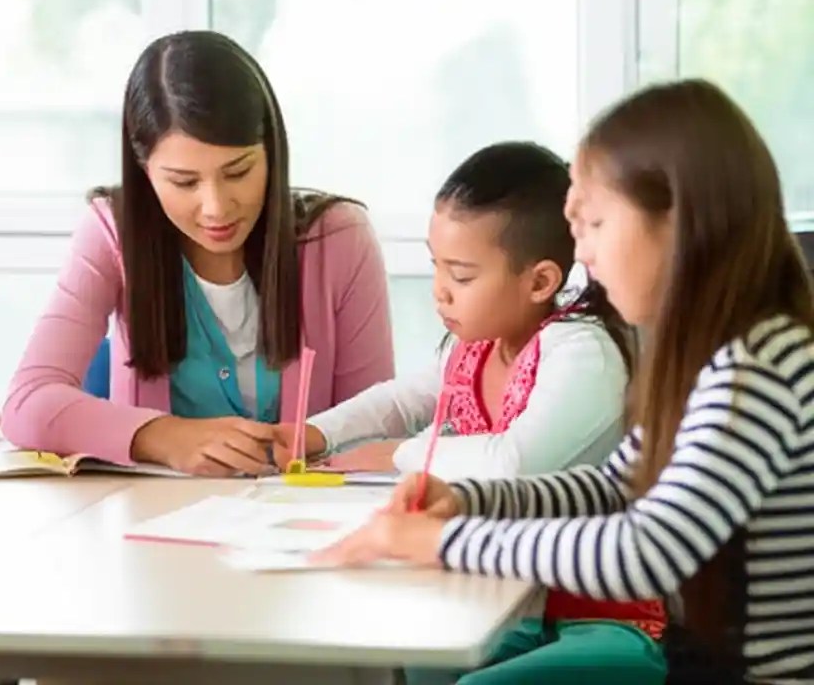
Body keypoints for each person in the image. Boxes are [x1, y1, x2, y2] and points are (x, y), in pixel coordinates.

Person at [314, 79, 814, 684]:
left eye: (596, 223)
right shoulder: (719, 360)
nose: (584, 252)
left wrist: (442, 543)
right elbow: (612, 487)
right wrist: (468, 500)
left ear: (680, 223)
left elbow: (646, 551)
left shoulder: (757, 369)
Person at [2, 30, 393, 475]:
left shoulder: (339, 239)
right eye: (184, 182)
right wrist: (165, 437)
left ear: (272, 152)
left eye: (239, 171)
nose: (217, 207)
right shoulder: (111, 232)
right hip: (154, 522)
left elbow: (376, 427)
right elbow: (27, 402)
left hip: (303, 526)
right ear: (145, 172)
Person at [289, 142, 633, 480]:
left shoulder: (583, 353)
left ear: (540, 282)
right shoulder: (478, 348)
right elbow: (400, 402)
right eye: (435, 265)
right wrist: (311, 433)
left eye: (461, 276)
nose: (439, 290)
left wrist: (399, 454)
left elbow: (512, 462)